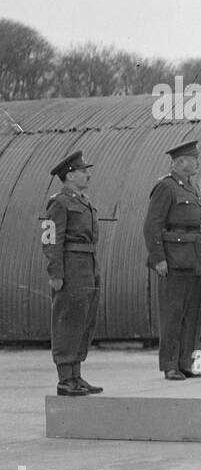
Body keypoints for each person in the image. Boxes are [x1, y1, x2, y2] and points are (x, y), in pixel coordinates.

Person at [143, 139, 201, 381]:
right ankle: (170, 365)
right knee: (173, 313)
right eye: (194, 159)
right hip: (174, 258)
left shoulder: (192, 187)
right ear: (180, 162)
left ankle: (186, 363)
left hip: (195, 257)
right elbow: (152, 226)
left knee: (192, 313)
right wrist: (158, 259)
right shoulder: (166, 187)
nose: (198, 162)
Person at [44, 151, 102, 396]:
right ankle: (65, 379)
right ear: (69, 175)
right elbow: (50, 240)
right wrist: (56, 272)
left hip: (88, 264)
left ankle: (76, 375)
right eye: (82, 171)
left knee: (84, 320)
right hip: (70, 266)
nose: (87, 175)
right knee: (67, 320)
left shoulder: (83, 201)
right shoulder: (59, 202)